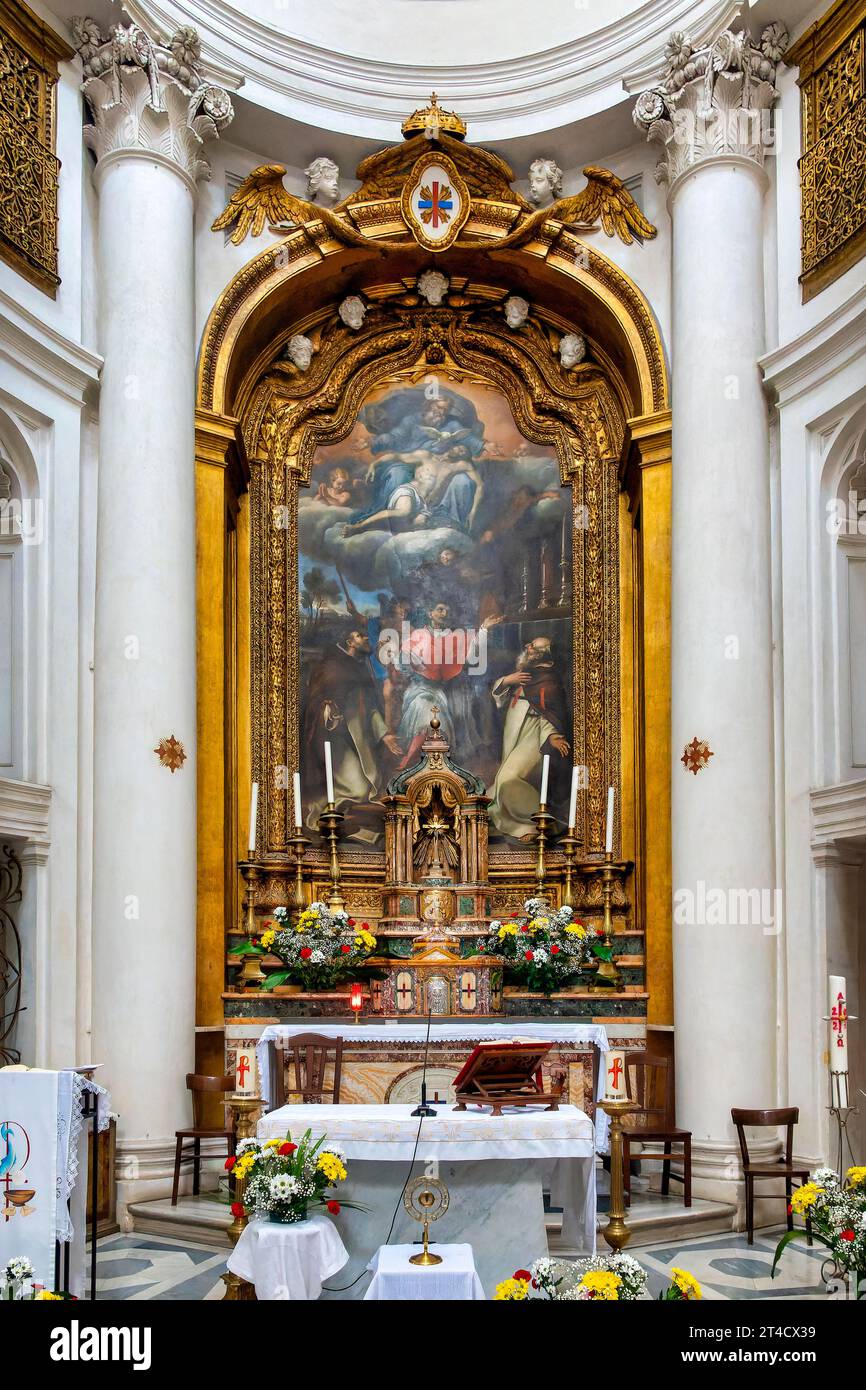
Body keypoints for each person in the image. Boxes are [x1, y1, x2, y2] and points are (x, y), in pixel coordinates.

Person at [301, 629, 402, 840]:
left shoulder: (360, 668)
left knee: (369, 781)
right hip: (332, 738)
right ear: (349, 641)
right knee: (359, 787)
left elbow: (371, 708)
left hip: (356, 736)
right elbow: (316, 702)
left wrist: (384, 735)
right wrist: (326, 710)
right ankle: (329, 816)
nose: (366, 638)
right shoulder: (331, 667)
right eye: (360, 636)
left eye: (366, 635)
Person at [487, 636, 570, 839]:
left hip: (534, 733)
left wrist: (551, 735)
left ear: (544, 654)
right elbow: (498, 695)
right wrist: (508, 680)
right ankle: (521, 824)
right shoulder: (526, 673)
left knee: (507, 781)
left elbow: (550, 712)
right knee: (498, 786)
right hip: (515, 730)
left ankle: (544, 821)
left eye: (533, 646)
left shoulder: (549, 680)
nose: (527, 647)